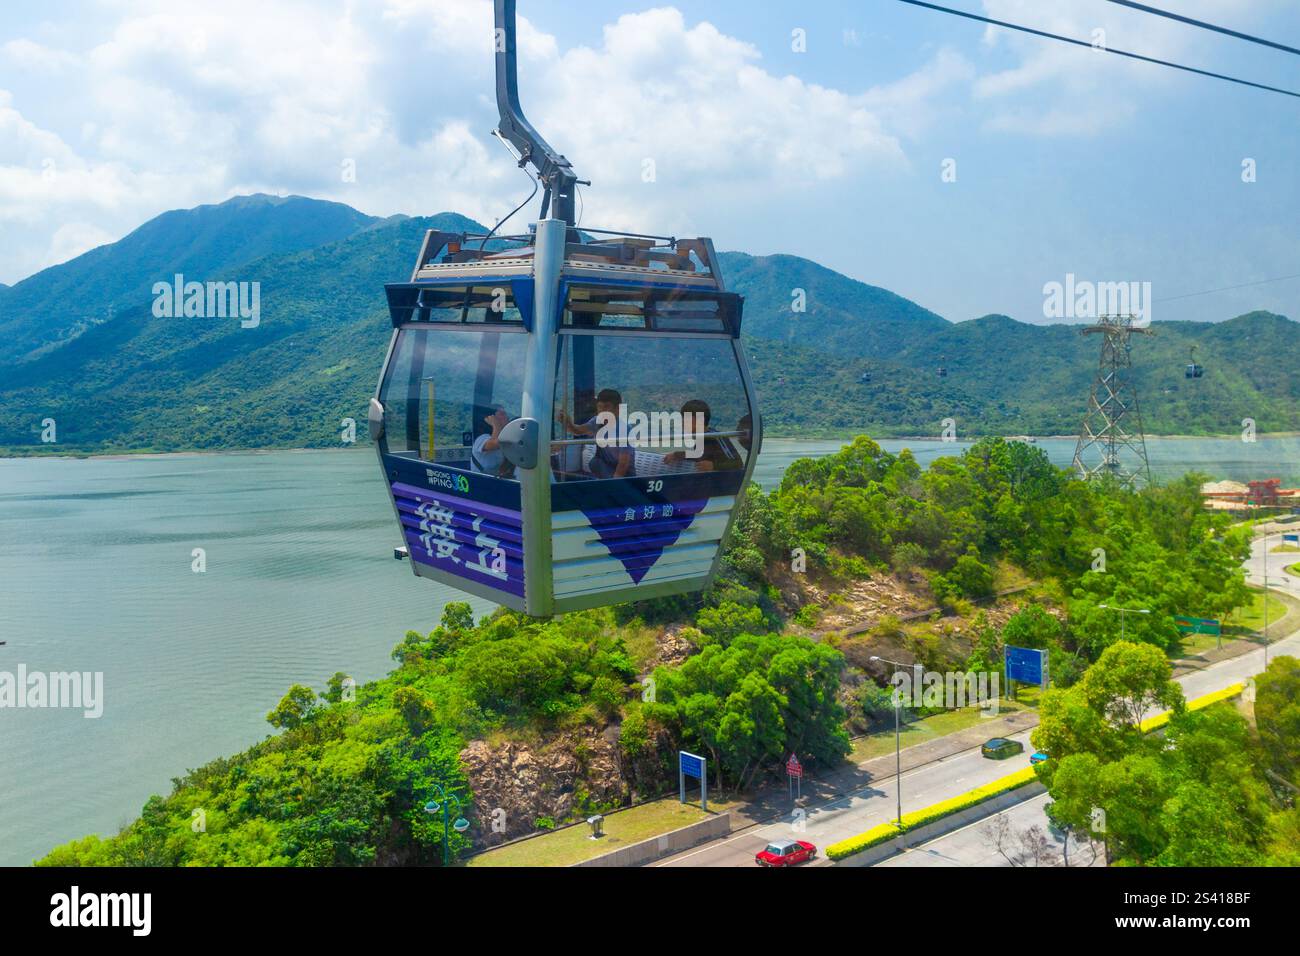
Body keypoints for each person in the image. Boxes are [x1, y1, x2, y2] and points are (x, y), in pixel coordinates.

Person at [556, 388, 634, 479]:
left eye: (606, 407)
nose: (602, 411)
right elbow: (577, 431)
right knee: (594, 463)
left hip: (626, 477)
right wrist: (567, 422)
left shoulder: (625, 429)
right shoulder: (597, 421)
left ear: (618, 409)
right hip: (606, 469)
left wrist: (614, 483)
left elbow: (623, 464)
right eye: (600, 407)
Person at [663, 399, 739, 472]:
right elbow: (697, 455)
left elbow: (738, 464)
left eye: (687, 418)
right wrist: (676, 455)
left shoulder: (715, 437)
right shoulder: (699, 437)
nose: (682, 422)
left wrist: (714, 466)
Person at [471, 404, 516, 479]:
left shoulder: (506, 440)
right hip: (480, 483)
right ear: (491, 418)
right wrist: (496, 424)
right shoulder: (481, 439)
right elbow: (496, 443)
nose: (507, 417)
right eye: (502, 414)